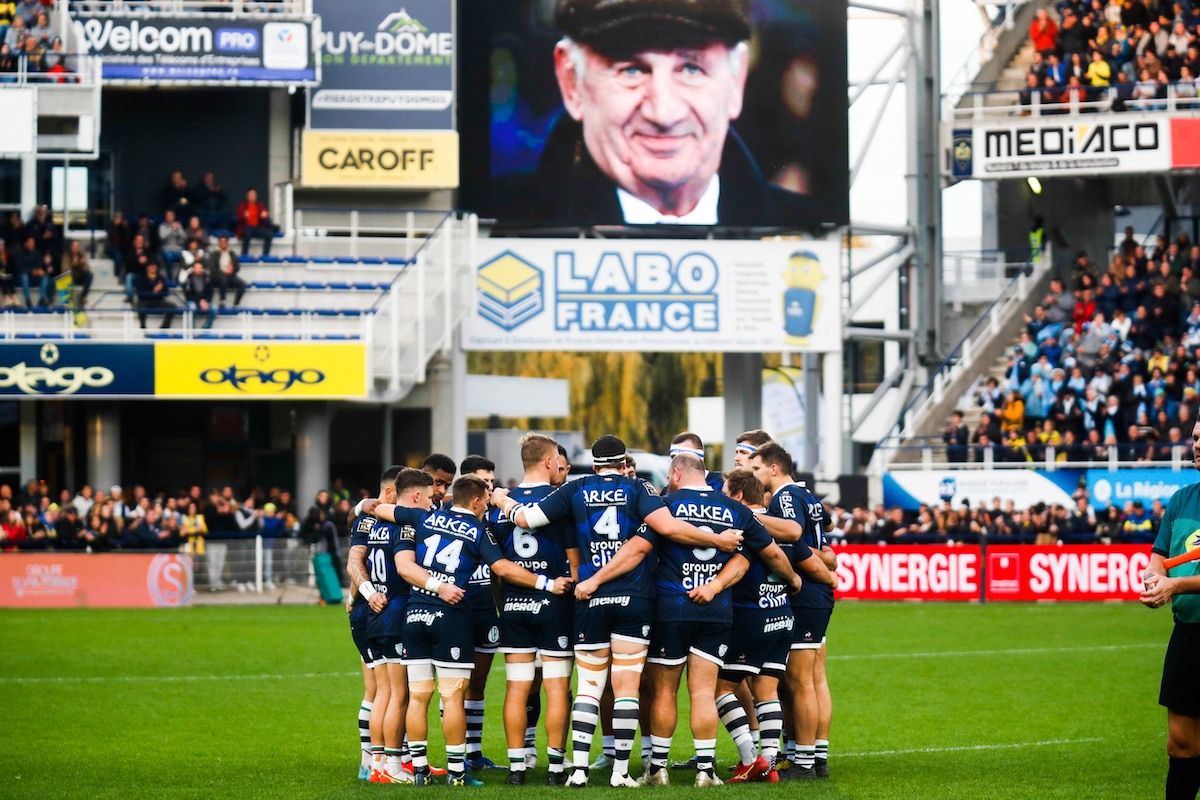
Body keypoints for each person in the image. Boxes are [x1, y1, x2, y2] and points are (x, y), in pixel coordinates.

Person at [493, 435, 743, 787]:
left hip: (589, 597)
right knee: (626, 687)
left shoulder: (575, 489)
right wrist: (719, 540)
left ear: (594, 464)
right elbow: (669, 528)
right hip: (632, 599)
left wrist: (504, 499)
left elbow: (527, 519)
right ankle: (620, 773)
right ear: (623, 460)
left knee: (589, 688)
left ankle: (577, 771)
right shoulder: (637, 490)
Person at [572, 453, 801, 787]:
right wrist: (791, 580)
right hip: (715, 610)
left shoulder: (665, 506)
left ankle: (658, 769)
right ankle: (705, 771)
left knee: (665, 690)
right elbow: (765, 556)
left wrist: (596, 579)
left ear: (676, 473)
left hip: (671, 609)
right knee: (704, 691)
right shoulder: (735, 510)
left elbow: (636, 550)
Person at [534, 0, 815, 226]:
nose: (664, 114)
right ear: (571, 82)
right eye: (631, 69)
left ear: (736, 80)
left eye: (691, 69)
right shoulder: (498, 231)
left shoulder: (808, 230)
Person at [394, 475, 570, 786]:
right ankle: (458, 773)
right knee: (451, 697)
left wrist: (363, 504)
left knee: (419, 696)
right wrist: (547, 583)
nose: (487, 505)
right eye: (485, 500)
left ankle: (419, 769)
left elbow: (382, 510)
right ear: (476, 502)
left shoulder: (426, 516)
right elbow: (501, 568)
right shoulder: (478, 529)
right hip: (450, 614)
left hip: (415, 614)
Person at [489, 434, 577, 785]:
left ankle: (516, 769)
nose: (560, 465)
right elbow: (575, 562)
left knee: (517, 687)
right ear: (547, 462)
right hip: (554, 602)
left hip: (514, 603)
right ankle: (556, 769)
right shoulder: (560, 501)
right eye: (557, 459)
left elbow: (497, 566)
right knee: (556, 688)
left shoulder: (501, 507)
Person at [749, 442, 837, 779]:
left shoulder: (785, 499)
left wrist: (820, 567)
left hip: (804, 592)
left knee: (800, 682)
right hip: (817, 593)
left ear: (774, 469)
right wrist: (826, 557)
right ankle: (814, 757)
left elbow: (794, 541)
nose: (754, 476)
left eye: (757, 469)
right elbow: (825, 527)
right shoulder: (808, 496)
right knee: (809, 681)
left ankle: (804, 761)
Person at [347, 467, 433, 784]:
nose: (430, 503)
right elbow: (404, 567)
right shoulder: (402, 525)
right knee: (400, 695)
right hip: (395, 613)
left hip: (373, 612)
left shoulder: (368, 523)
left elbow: (356, 560)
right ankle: (392, 767)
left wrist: (366, 592)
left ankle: (377, 763)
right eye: (427, 498)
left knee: (383, 692)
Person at [1142, 416, 1200, 800]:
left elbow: (1173, 575)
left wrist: (1175, 584)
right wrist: (1153, 578)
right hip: (1189, 635)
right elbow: (1159, 555)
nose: (1197, 444)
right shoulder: (1182, 499)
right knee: (1180, 745)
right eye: (1196, 437)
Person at [457, 455, 503, 770]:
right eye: (482, 481)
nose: (489, 488)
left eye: (491, 481)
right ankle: (455, 754)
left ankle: (473, 753)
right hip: (457, 606)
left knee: (479, 681)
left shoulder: (494, 518)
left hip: (486, 608)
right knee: (454, 683)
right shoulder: (450, 516)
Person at [133, 261, 175, 329]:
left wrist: (160, 290)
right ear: (147, 267)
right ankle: (143, 327)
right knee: (140, 307)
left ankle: (164, 327)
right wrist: (153, 291)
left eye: (154, 266)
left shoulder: (161, 277)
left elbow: (166, 292)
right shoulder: (141, 277)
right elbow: (139, 292)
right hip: (144, 300)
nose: (152, 268)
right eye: (151, 266)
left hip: (158, 300)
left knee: (172, 307)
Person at [207, 235, 245, 307]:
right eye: (221, 241)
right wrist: (222, 271)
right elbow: (211, 268)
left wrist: (232, 269)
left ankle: (236, 303)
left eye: (224, 241)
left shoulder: (232, 253)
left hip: (230, 276)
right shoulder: (214, 254)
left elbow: (238, 267)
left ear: (227, 243)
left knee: (242, 284)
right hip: (217, 276)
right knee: (223, 279)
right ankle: (222, 300)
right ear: (218, 243)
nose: (223, 243)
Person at [235, 188, 273, 256]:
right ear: (247, 196)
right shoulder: (242, 205)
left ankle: (265, 254)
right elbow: (237, 218)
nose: (252, 196)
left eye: (254, 194)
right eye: (251, 194)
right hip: (247, 227)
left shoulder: (259, 205)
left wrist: (265, 215)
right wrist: (244, 216)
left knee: (269, 234)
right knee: (247, 233)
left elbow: (265, 215)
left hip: (257, 228)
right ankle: (244, 254)